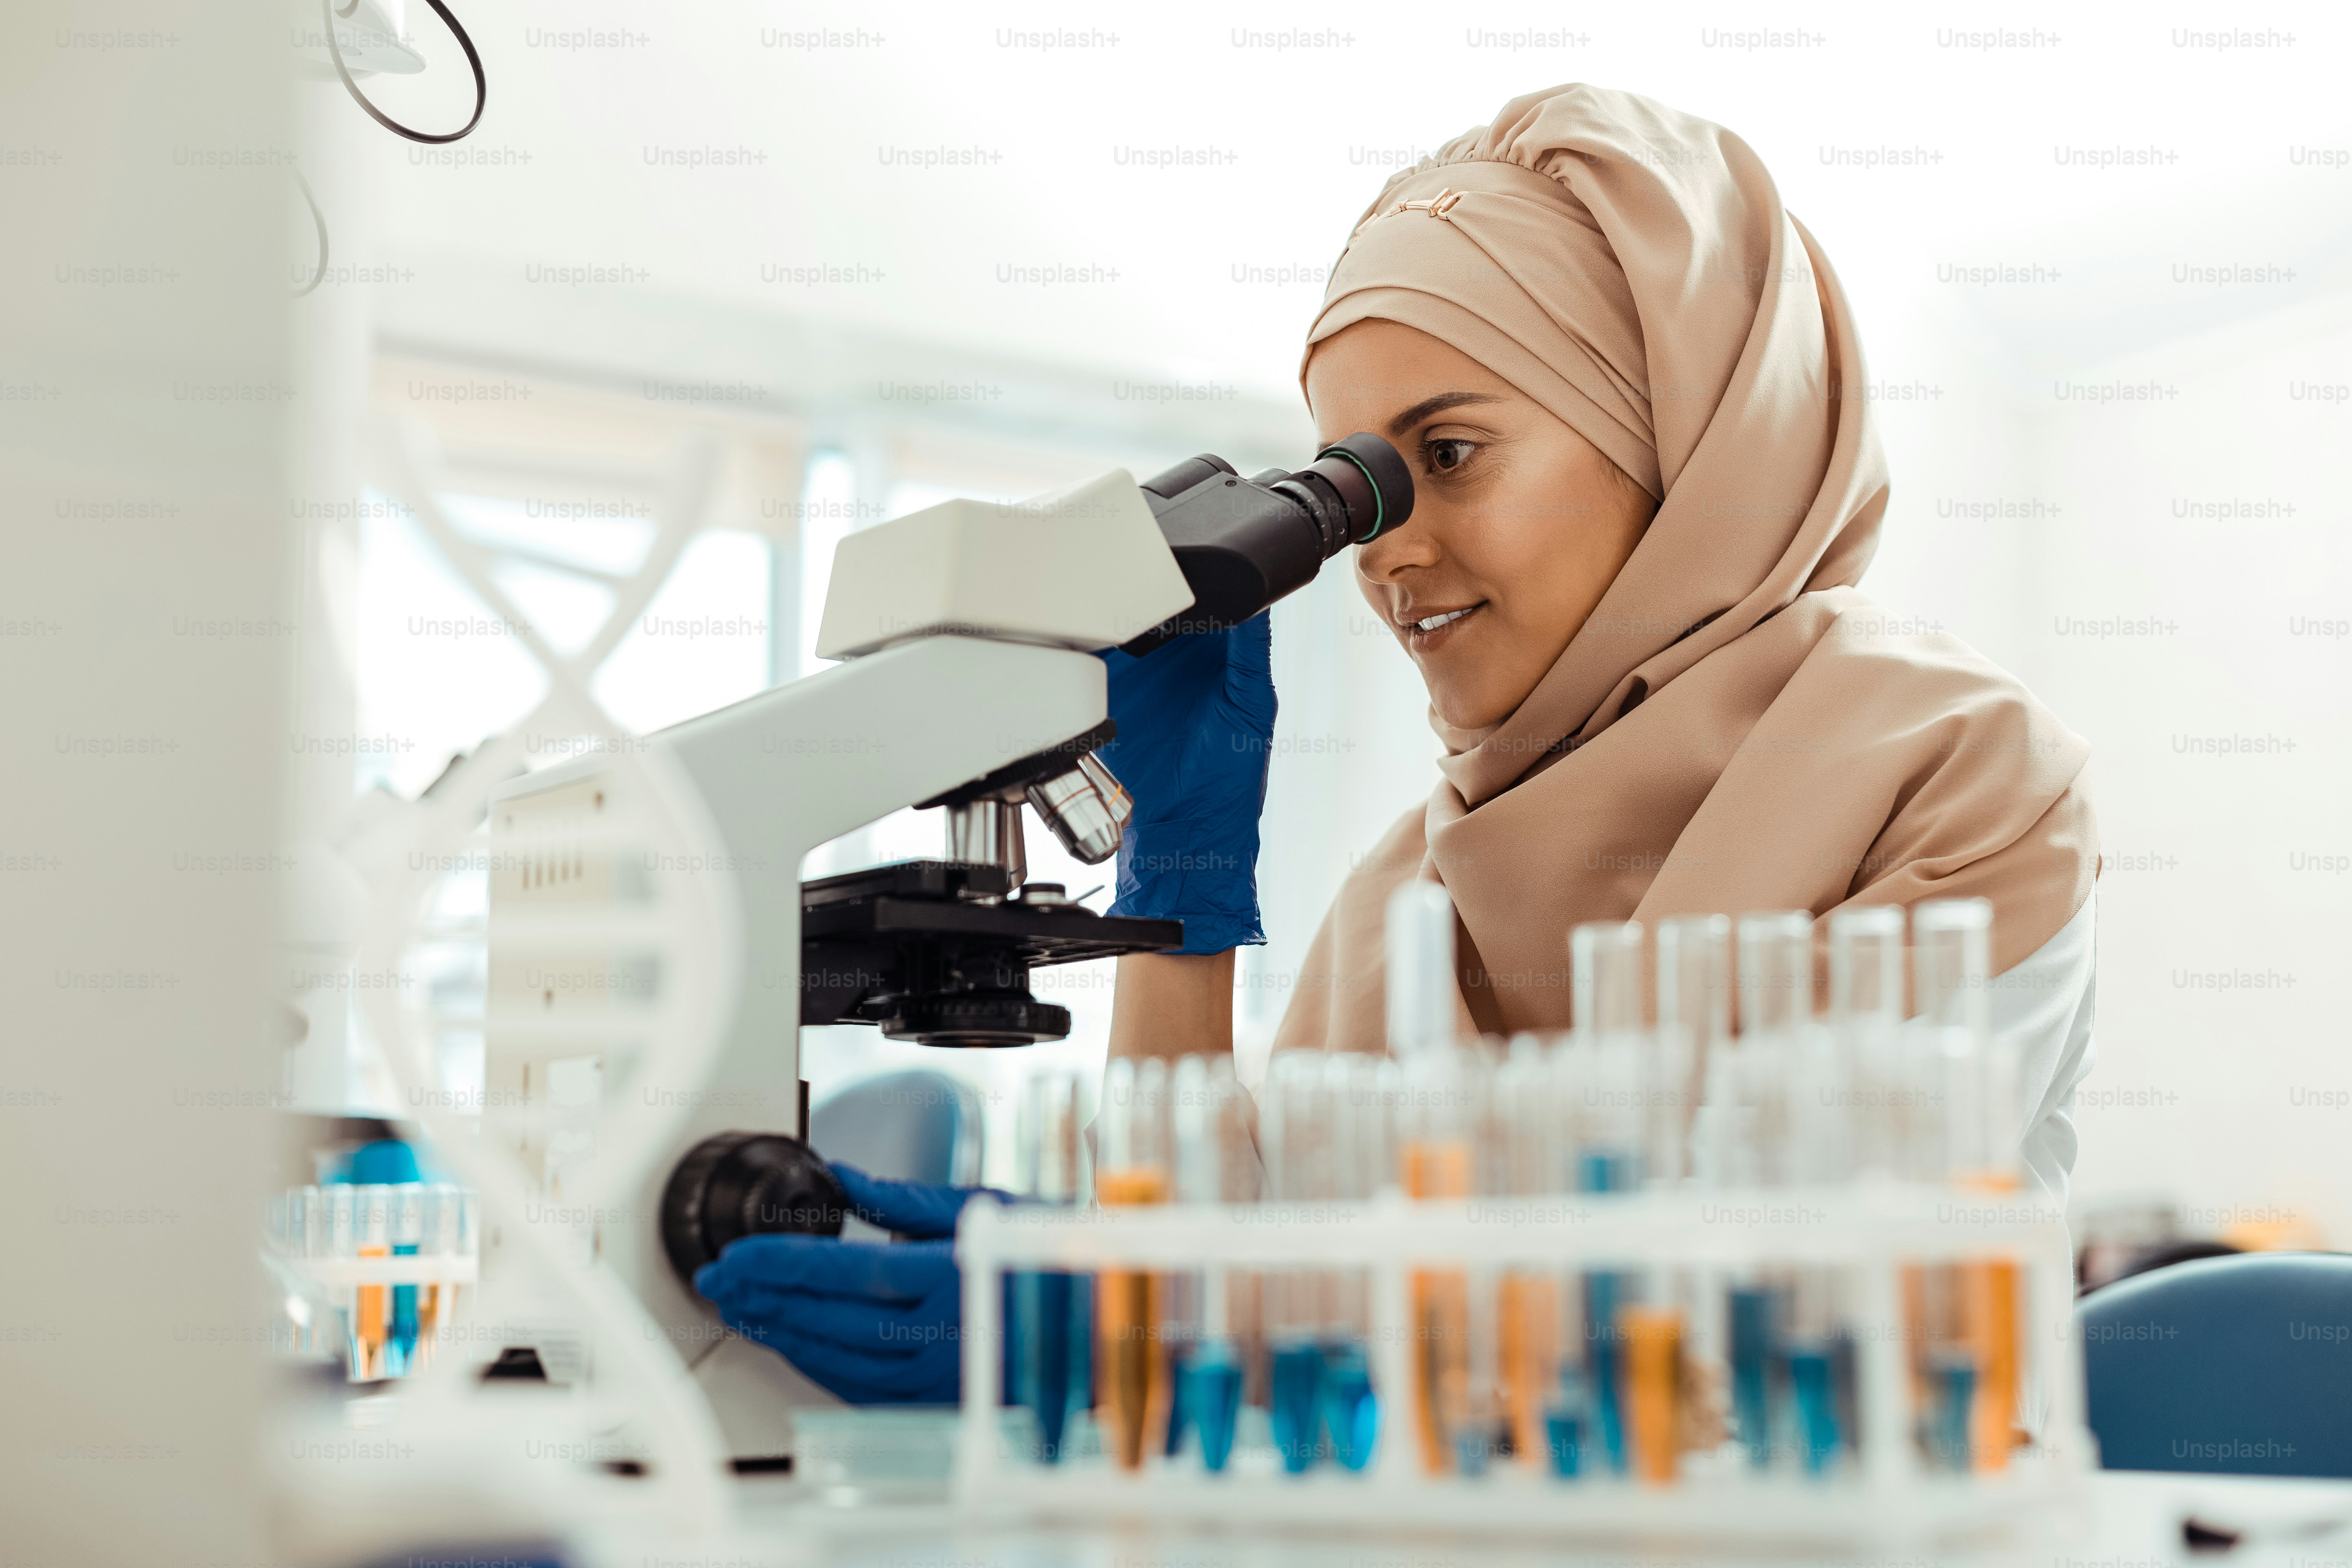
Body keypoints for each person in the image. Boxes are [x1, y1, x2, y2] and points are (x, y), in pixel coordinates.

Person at [696, 83, 2099, 1404]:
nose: (1385, 548)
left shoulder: (1953, 774)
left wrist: (1167, 1317)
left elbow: (1778, 1308)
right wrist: (1181, 900)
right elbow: (1200, 1247)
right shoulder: (1407, 891)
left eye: (1451, 453)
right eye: (1351, 485)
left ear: (1679, 444)